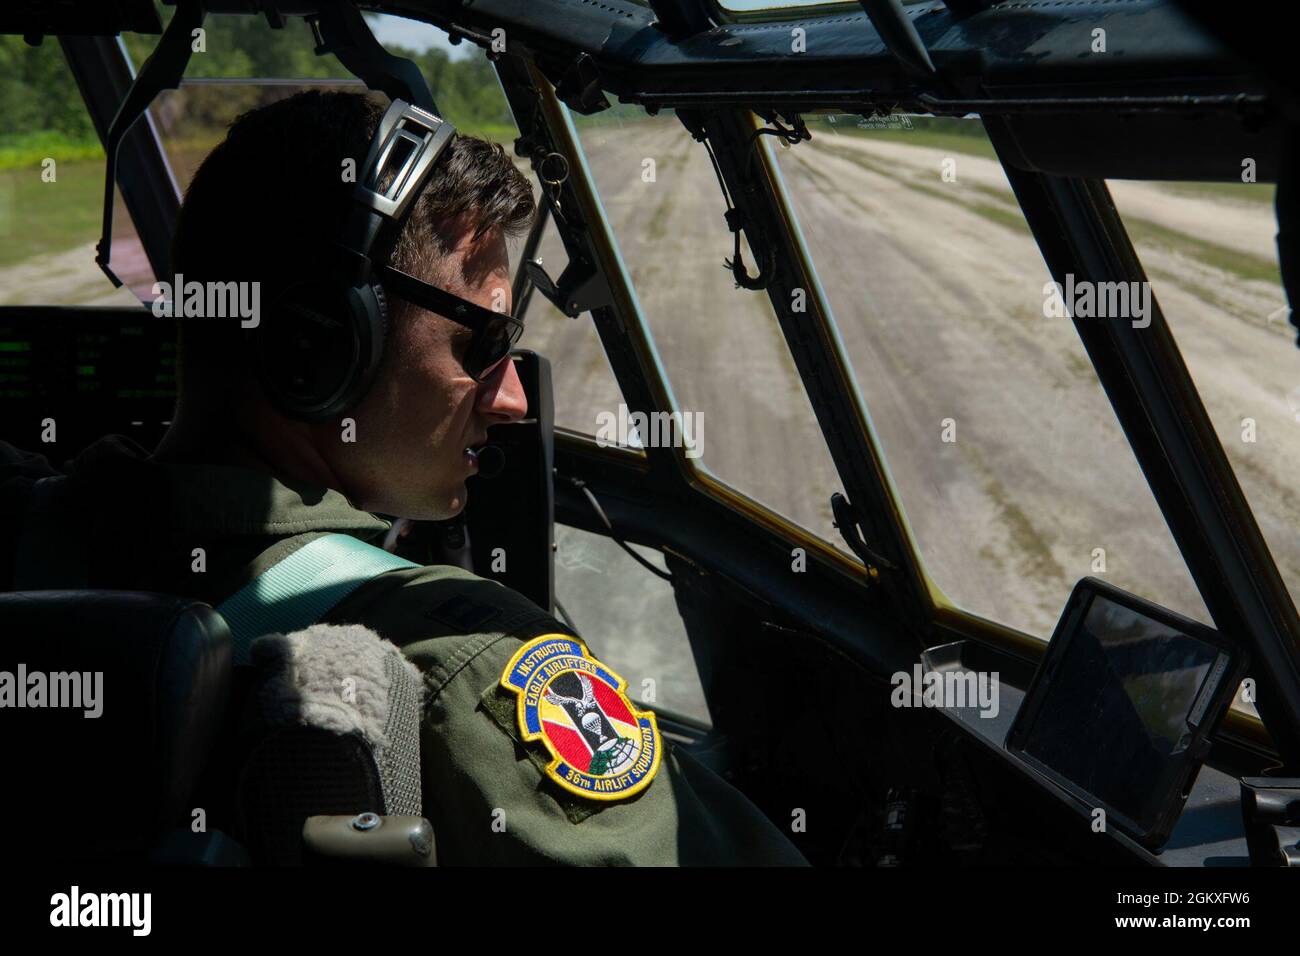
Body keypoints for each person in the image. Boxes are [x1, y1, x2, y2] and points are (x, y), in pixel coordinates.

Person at [0, 90, 806, 865]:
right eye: (481, 343)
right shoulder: (464, 653)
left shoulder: (27, 533)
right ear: (318, 350)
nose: (515, 398)